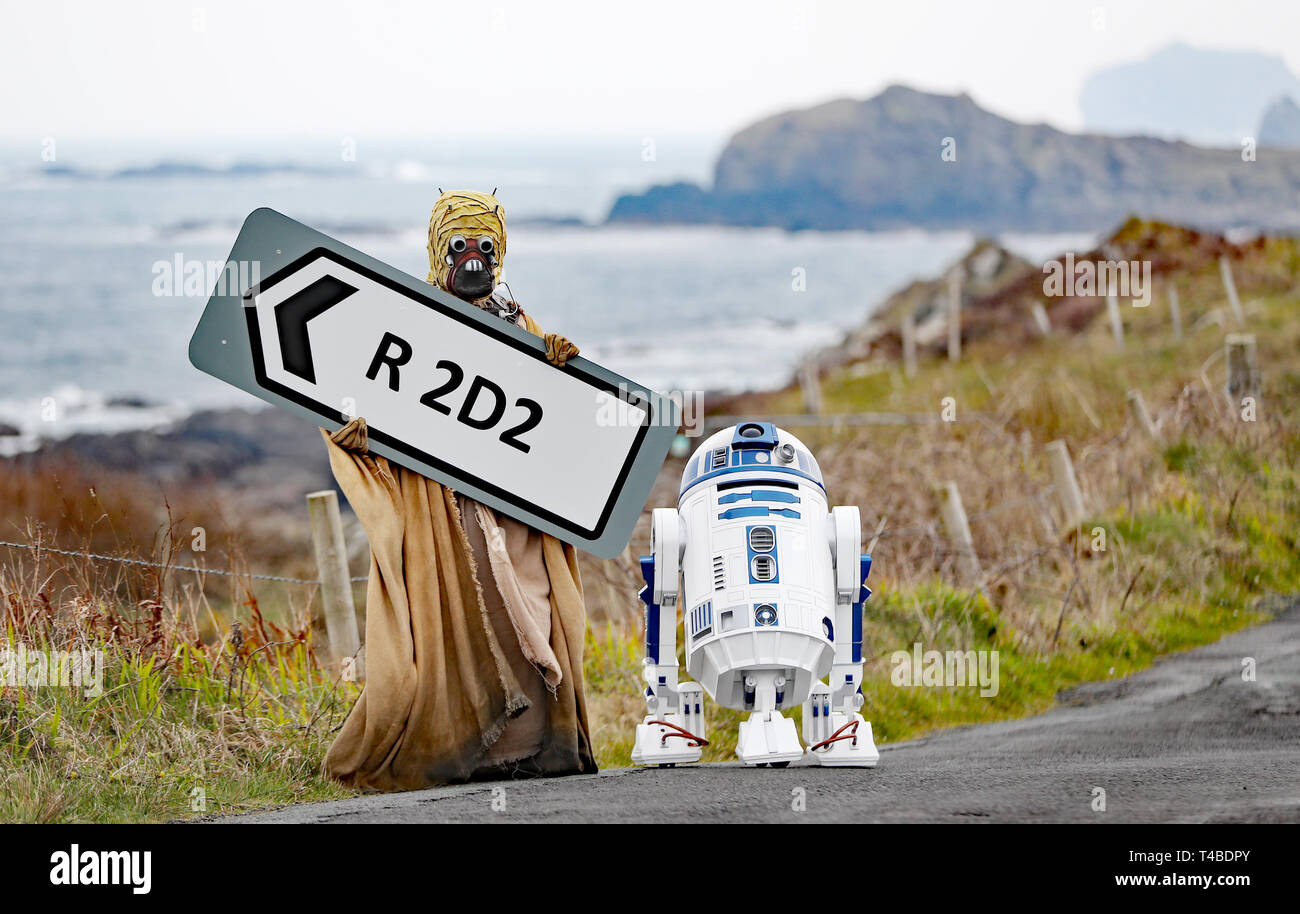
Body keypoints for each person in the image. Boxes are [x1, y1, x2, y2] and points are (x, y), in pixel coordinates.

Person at [320, 190, 596, 790]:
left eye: (485, 247)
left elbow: (556, 413)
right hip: (442, 512)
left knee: (530, 608)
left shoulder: (517, 320)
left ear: (500, 253)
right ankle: (463, 751)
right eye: (460, 246)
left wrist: (558, 363)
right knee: (454, 618)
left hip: (515, 511)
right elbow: (375, 393)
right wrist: (362, 434)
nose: (473, 258)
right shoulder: (411, 320)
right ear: (438, 251)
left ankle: (535, 748)